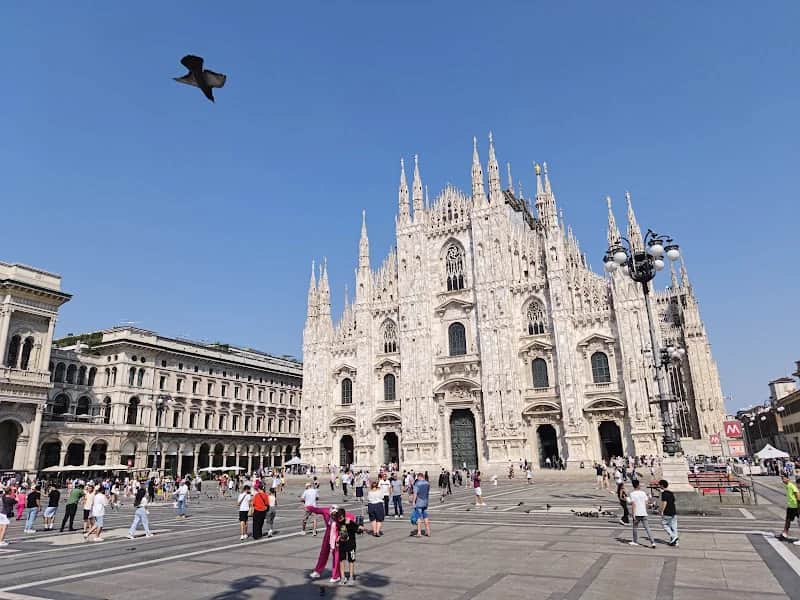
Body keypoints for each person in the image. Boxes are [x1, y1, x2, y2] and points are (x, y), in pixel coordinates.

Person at [307, 504, 356, 582]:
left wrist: (349, 521)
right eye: (332, 515)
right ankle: (318, 571)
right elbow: (317, 510)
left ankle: (336, 575)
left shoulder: (340, 514)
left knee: (336, 555)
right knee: (323, 552)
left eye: (335, 515)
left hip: (337, 534)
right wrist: (308, 507)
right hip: (328, 533)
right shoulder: (326, 511)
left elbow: (351, 516)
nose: (333, 516)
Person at [337, 509, 363, 585]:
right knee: (341, 560)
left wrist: (362, 529)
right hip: (342, 544)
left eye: (340, 517)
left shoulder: (350, 522)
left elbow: (358, 530)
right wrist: (338, 540)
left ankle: (351, 577)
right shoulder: (339, 522)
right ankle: (343, 577)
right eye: (338, 517)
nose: (339, 519)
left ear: (343, 516)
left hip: (351, 544)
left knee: (351, 561)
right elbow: (341, 533)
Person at [627, 479, 655, 548]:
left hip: (637, 513)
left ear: (633, 486)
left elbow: (633, 504)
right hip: (644, 513)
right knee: (647, 528)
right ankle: (652, 542)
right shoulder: (643, 493)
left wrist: (633, 514)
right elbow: (646, 503)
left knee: (635, 528)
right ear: (638, 485)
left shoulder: (632, 494)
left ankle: (635, 541)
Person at [778, 474, 800, 544]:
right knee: (788, 520)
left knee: (794, 521)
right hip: (791, 506)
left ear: (788, 478)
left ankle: (785, 533)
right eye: (782, 478)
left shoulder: (792, 486)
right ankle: (784, 533)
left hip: (795, 507)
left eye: (784, 478)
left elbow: (798, 497)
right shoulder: (787, 485)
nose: (783, 480)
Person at [659, 479, 679, 546]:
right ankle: (675, 542)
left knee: (664, 525)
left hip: (667, 512)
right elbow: (673, 501)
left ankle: (673, 536)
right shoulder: (671, 493)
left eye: (660, 485)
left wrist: (662, 511)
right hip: (673, 511)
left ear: (662, 485)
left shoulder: (664, 493)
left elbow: (664, 503)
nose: (659, 486)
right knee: (674, 527)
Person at [412, 472, 431, 538]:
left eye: (417, 477)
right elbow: (427, 492)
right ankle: (428, 532)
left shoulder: (417, 484)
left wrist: (413, 501)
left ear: (419, 477)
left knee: (418, 517)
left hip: (419, 502)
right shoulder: (427, 483)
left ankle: (419, 532)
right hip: (425, 501)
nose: (417, 479)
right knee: (425, 516)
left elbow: (415, 494)